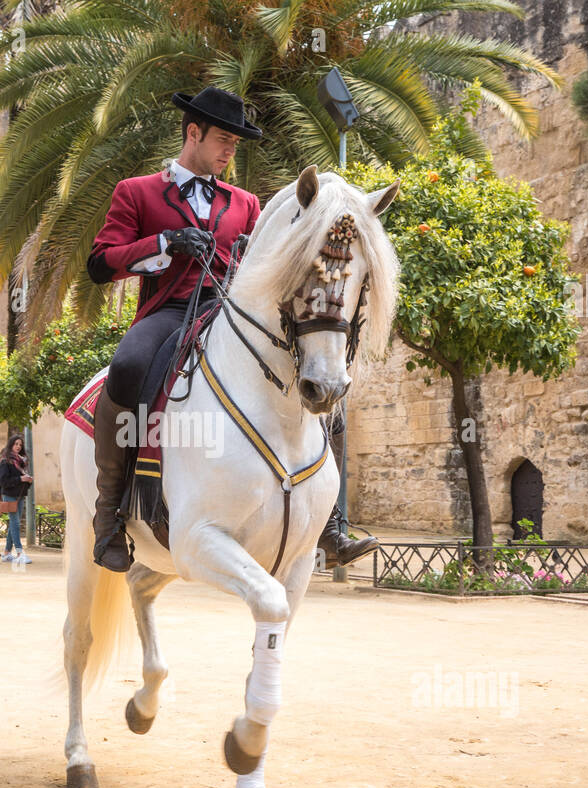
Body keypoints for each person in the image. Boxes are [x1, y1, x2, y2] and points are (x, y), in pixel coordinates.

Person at [84, 85, 377, 573]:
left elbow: (266, 264)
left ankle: (330, 523)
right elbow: (100, 263)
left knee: (327, 389)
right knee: (129, 365)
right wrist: (164, 241)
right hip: (169, 312)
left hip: (236, 314)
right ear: (193, 133)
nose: (229, 150)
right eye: (223, 139)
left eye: (236, 144)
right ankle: (109, 514)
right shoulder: (135, 192)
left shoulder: (245, 202)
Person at [0, 434, 33, 564]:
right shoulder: (5, 461)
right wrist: (20, 479)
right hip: (10, 495)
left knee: (13, 524)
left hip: (20, 495)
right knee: (15, 523)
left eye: (20, 445)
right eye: (16, 444)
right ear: (11, 444)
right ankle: (19, 553)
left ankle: (6, 553)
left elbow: (21, 479)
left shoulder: (21, 461)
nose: (18, 447)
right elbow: (3, 481)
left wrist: (28, 480)